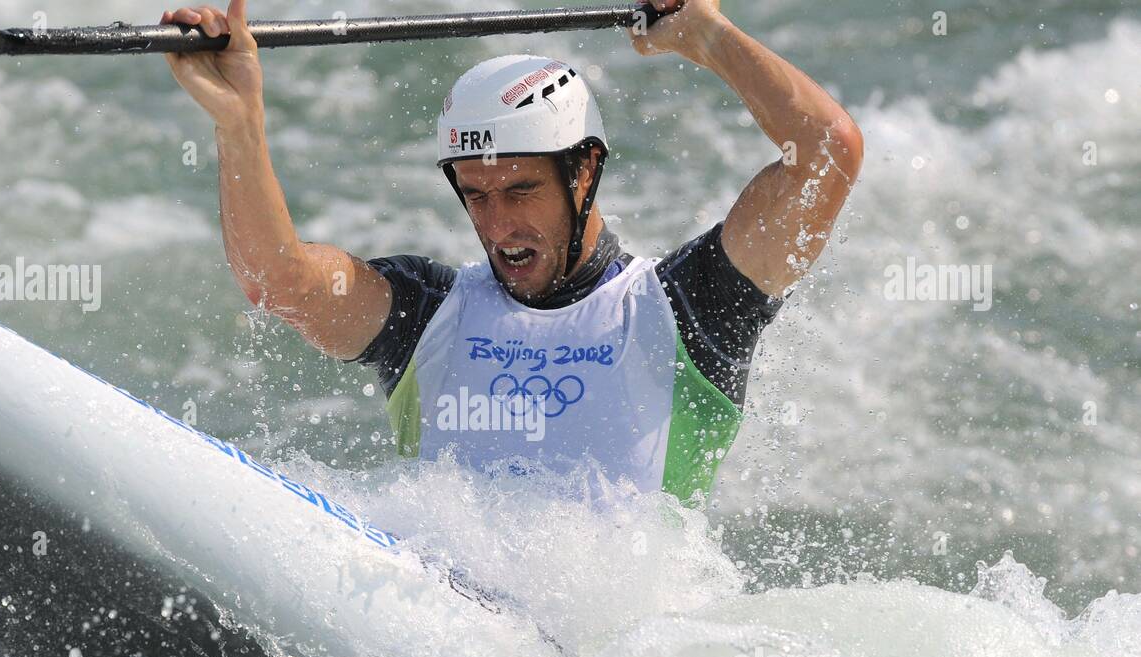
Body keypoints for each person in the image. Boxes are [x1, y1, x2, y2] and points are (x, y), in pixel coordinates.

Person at [162, 0, 862, 502]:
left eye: (520, 190)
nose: (497, 225)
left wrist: (708, 35)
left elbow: (827, 153)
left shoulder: (690, 312)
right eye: (475, 194)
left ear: (585, 172)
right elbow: (277, 282)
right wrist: (239, 124)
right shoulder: (424, 313)